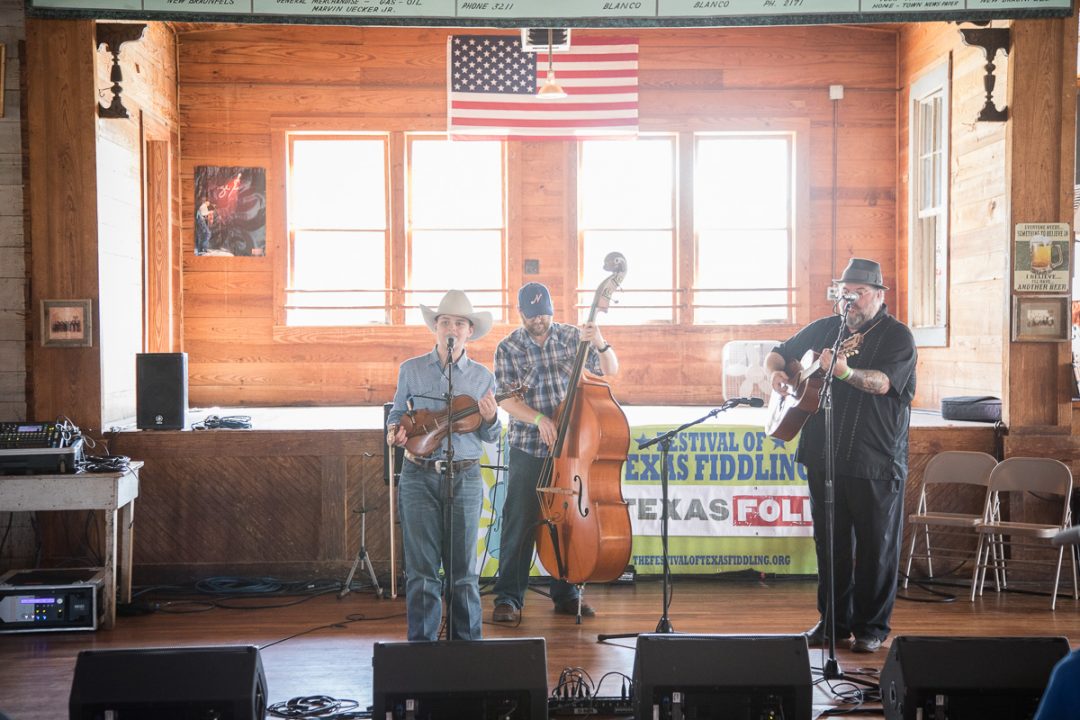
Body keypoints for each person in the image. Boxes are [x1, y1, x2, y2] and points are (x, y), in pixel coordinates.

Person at [764, 258, 916, 654]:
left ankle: (871, 627)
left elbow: (884, 383)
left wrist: (846, 373)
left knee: (874, 547)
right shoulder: (826, 327)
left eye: (860, 291)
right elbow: (779, 353)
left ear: (879, 295)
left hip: (875, 458)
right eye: (845, 291)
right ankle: (832, 623)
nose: (851, 298)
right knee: (829, 544)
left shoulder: (898, 337)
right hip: (823, 455)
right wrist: (778, 375)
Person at [491, 282, 619, 623]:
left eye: (545, 313)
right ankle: (508, 597)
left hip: (572, 449)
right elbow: (504, 398)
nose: (540, 321)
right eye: (533, 316)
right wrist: (538, 419)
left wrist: (599, 340)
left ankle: (566, 591)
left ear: (552, 309)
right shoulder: (508, 348)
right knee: (519, 521)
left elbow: (610, 369)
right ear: (521, 314)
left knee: (566, 520)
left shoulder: (571, 337)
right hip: (527, 446)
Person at [386, 289, 501, 641]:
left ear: (469, 331)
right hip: (418, 475)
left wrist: (492, 418)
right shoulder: (411, 369)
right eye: (445, 322)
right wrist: (395, 431)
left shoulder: (483, 377)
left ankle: (468, 651)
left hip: (464, 476)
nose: (452, 328)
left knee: (463, 572)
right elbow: (396, 414)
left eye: (459, 323)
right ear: (436, 327)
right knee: (421, 571)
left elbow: (492, 436)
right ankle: (422, 649)